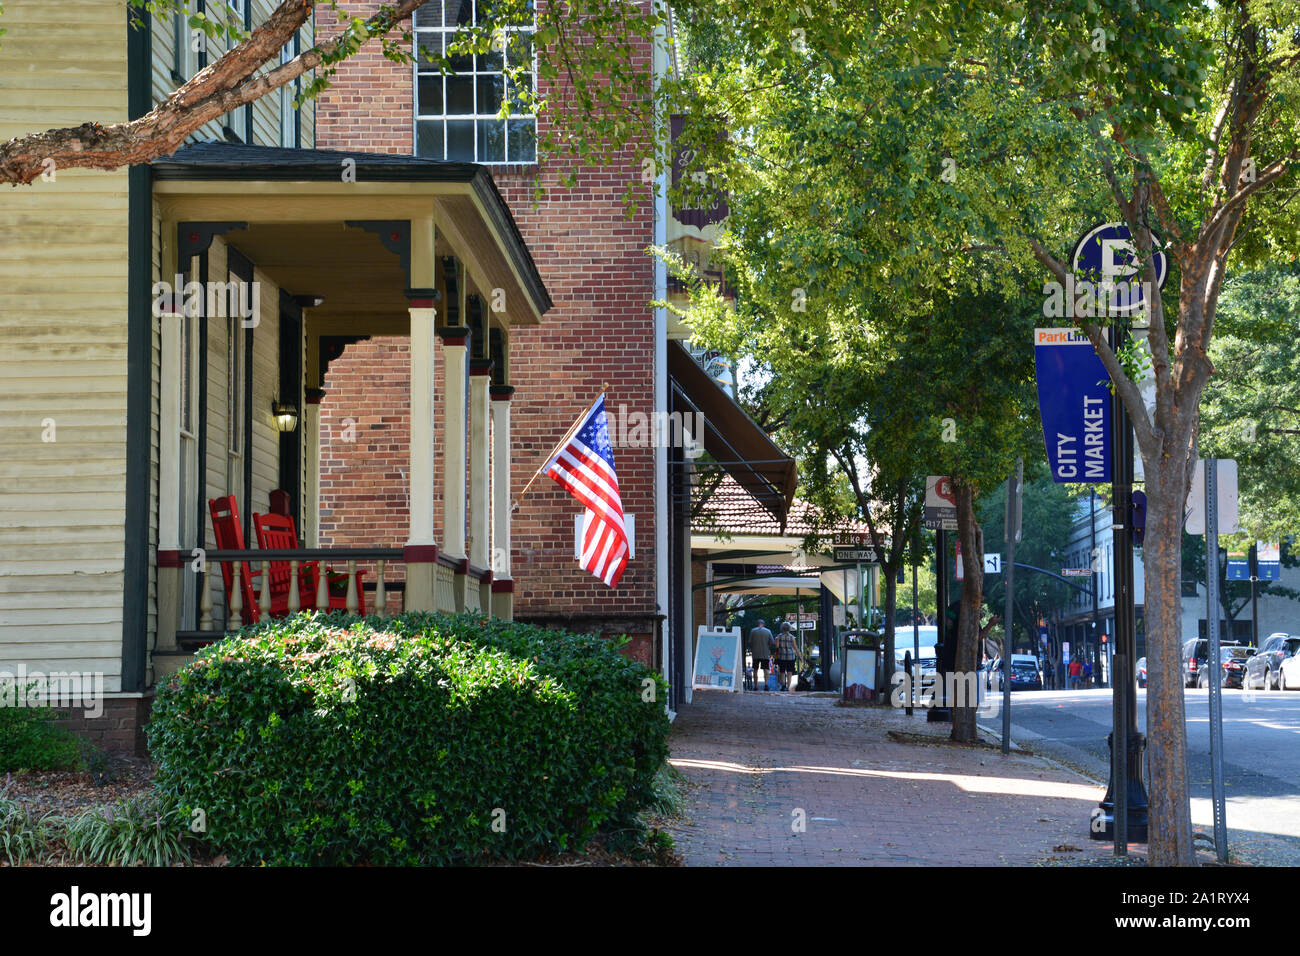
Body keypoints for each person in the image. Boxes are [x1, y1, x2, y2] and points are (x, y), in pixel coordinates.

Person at [748, 619, 775, 690]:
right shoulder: (768, 631)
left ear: (757, 624)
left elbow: (750, 642)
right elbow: (772, 642)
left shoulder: (753, 631)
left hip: (755, 654)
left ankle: (756, 686)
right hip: (765, 653)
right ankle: (766, 684)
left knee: (755, 670)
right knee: (766, 669)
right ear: (764, 624)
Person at [776, 621, 799, 690]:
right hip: (791, 657)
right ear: (789, 628)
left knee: (782, 672)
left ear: (782, 628)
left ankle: (783, 685)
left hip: (781, 657)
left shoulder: (778, 637)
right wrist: (800, 656)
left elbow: (777, 646)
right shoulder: (792, 637)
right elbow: (795, 648)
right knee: (789, 672)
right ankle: (788, 686)